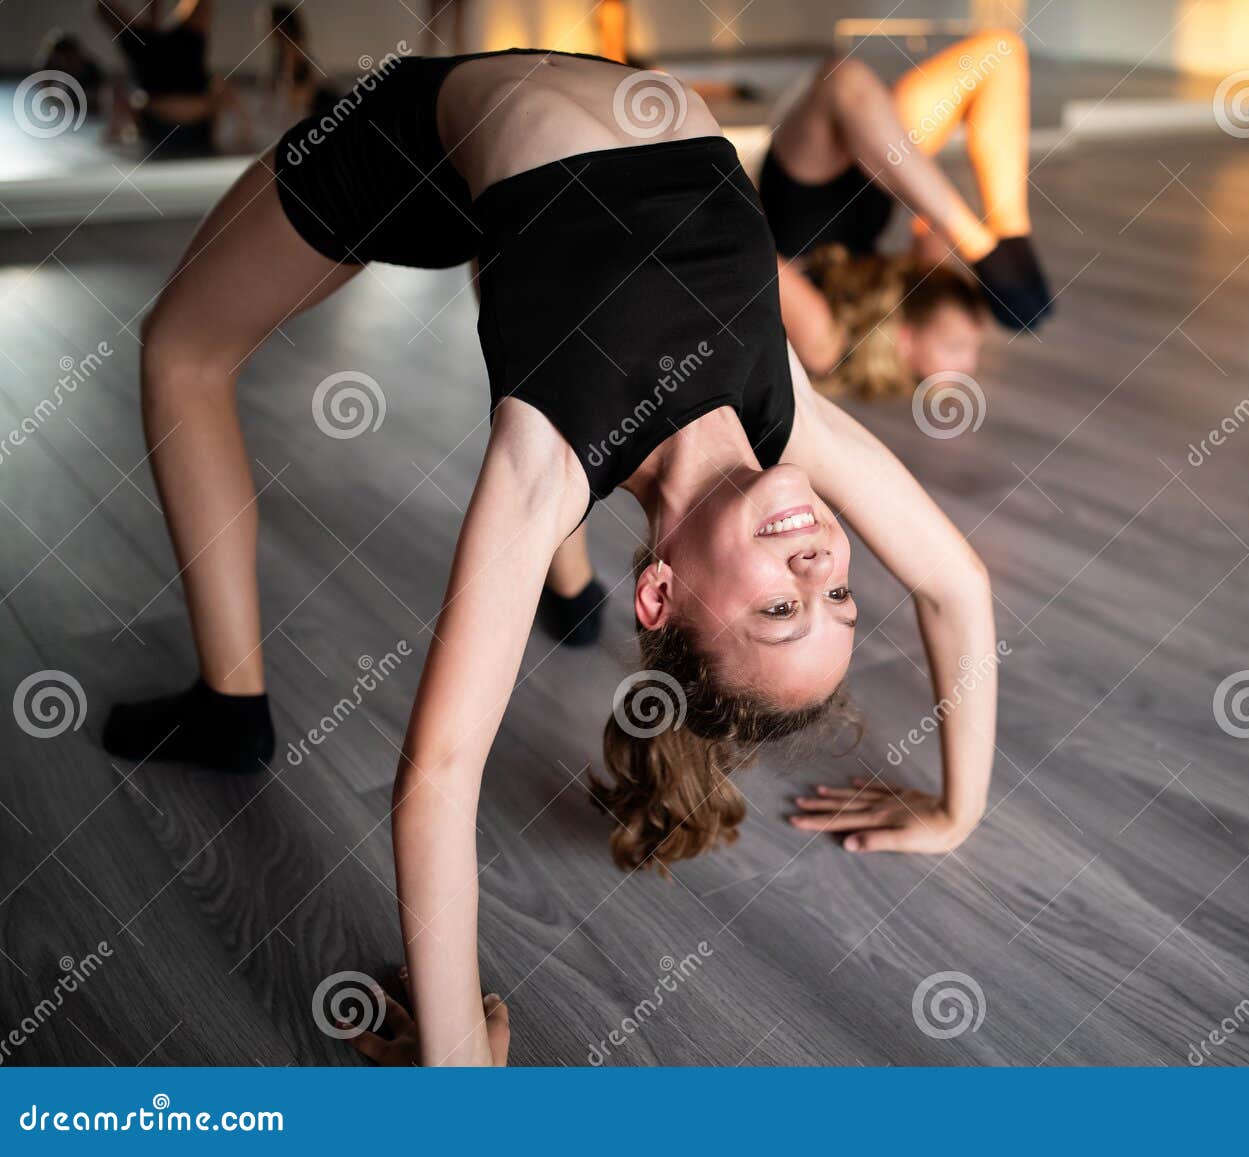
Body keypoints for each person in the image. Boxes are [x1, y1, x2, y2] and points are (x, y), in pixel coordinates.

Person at [100, 49, 998, 1066]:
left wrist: (454, 1070)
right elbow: (950, 582)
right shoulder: (784, 412)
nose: (817, 568)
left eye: (780, 612)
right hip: (513, 184)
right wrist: (956, 808)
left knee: (180, 348)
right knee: (520, 269)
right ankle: (567, 586)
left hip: (407, 140)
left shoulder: (554, 449)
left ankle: (231, 704)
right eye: (838, 593)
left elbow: (438, 772)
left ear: (656, 590)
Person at [762, 30, 1053, 398]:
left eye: (955, 351)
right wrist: (998, 242)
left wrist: (979, 250)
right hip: (872, 182)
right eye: (972, 350)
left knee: (845, 81)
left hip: (799, 200)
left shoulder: (829, 348)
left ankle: (991, 247)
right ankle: (1012, 235)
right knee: (1002, 53)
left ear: (906, 345)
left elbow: (753, 253)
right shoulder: (912, 293)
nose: (971, 354)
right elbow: (928, 223)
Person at [96, 0, 251, 158]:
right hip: (165, 90)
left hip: (163, 94)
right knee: (102, 8)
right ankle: (153, 21)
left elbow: (222, 93)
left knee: (102, 7)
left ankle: (153, 20)